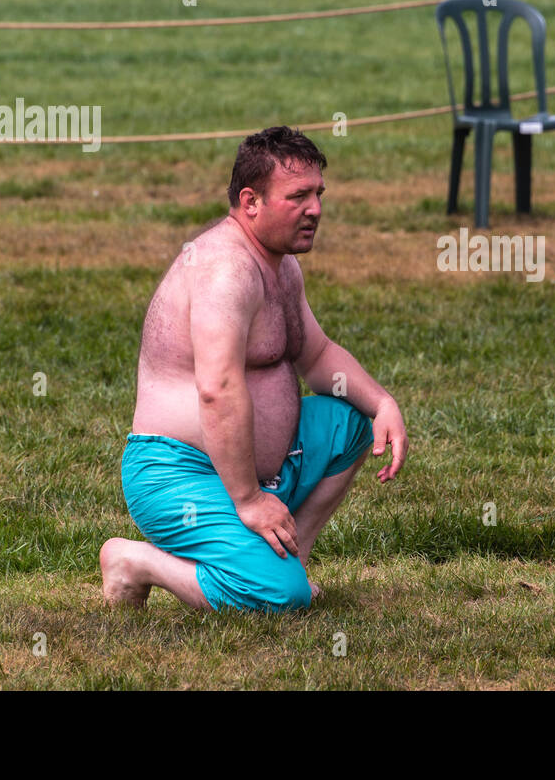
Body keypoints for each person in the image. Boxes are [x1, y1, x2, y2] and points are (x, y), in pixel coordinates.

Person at [100, 126, 408, 612]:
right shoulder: (226, 270)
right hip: (178, 473)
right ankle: (135, 562)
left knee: (350, 421)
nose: (315, 209)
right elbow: (217, 389)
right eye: (298, 197)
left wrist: (382, 404)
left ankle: (290, 560)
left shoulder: (280, 266)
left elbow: (316, 355)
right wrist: (246, 499)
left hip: (270, 468)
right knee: (277, 596)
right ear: (251, 202)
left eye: (319, 194)